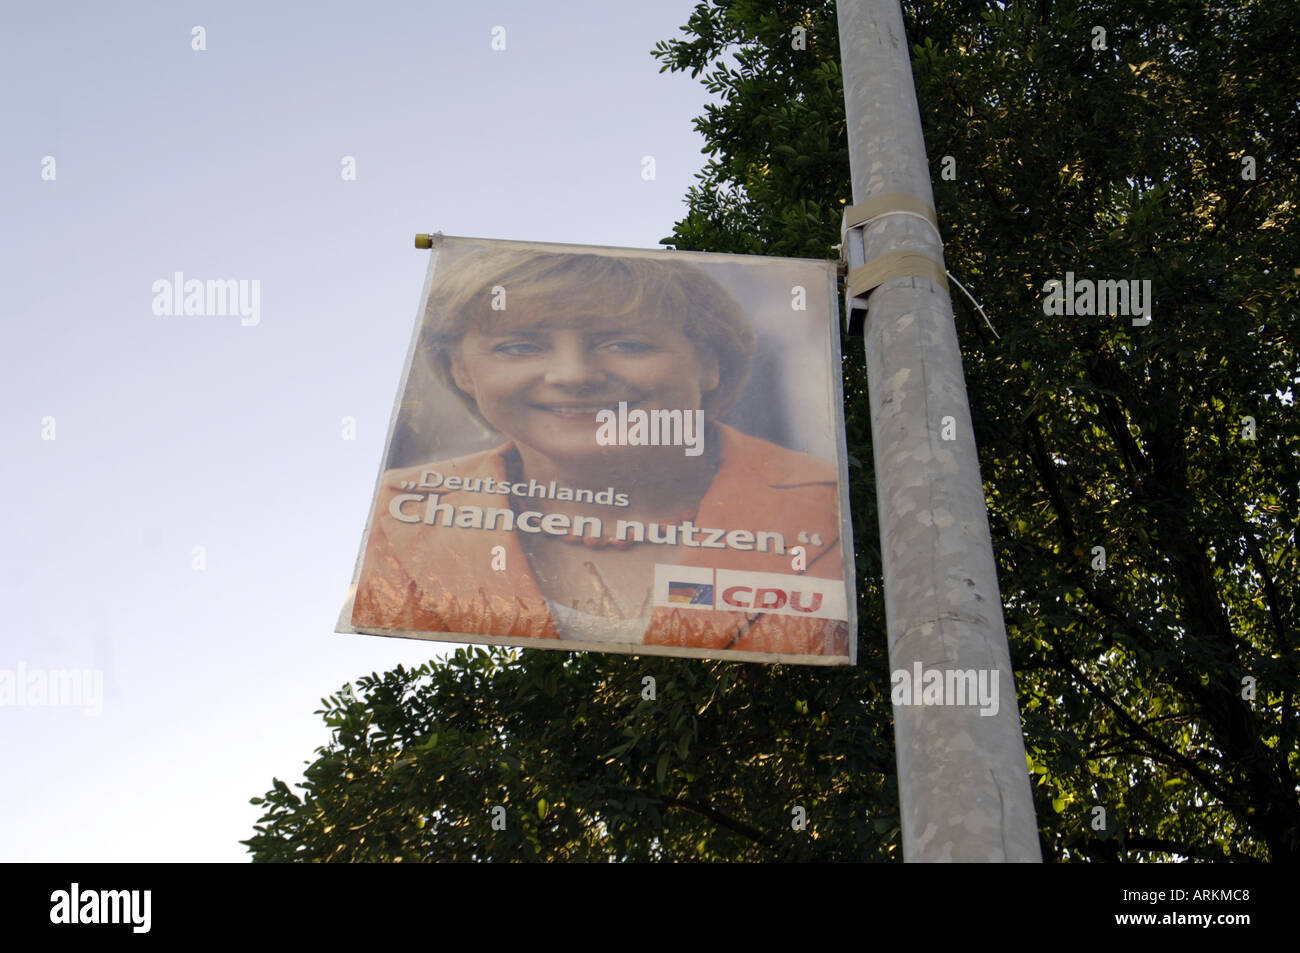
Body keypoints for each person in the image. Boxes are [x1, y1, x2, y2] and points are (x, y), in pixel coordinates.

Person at [351, 246, 849, 658]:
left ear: (708, 364)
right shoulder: (397, 516)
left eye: (626, 343)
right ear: (461, 371)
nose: (573, 375)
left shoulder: (833, 505)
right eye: (520, 347)